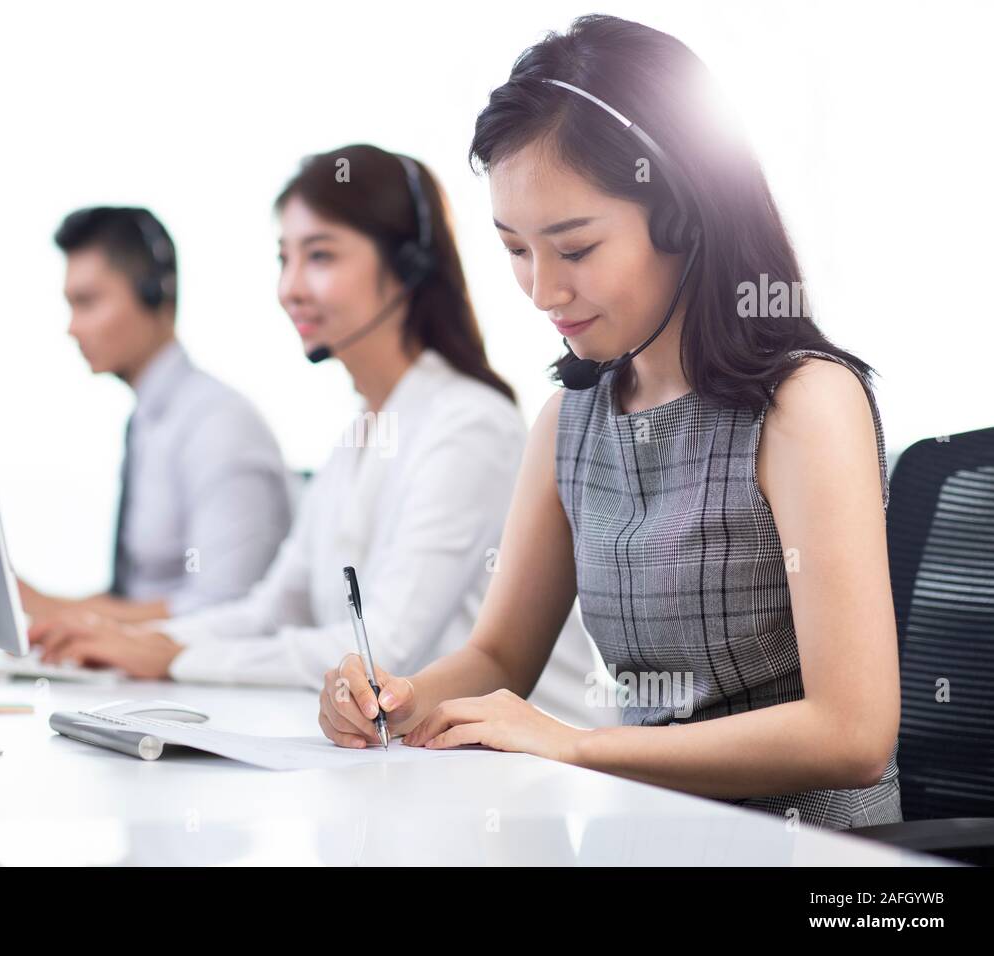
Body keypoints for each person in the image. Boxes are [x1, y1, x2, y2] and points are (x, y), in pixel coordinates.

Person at [318, 16, 902, 830]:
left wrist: (578, 747)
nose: (542, 290)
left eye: (576, 248)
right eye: (516, 249)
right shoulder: (572, 419)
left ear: (684, 217)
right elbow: (499, 657)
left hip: (806, 853)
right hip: (642, 834)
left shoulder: (805, 404)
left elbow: (852, 734)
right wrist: (398, 697)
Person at [30, 145, 527, 688]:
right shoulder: (360, 433)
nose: (289, 289)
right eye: (283, 259)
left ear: (408, 266)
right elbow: (271, 611)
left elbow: (385, 648)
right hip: (426, 755)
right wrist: (145, 643)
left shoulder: (469, 425)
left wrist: (173, 660)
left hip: (520, 764)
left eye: (320, 257)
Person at [18, 207, 291, 625]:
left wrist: (56, 612)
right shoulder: (148, 422)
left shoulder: (218, 424)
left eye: (87, 302)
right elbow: (142, 593)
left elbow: (223, 607)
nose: (72, 328)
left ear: (154, 292)